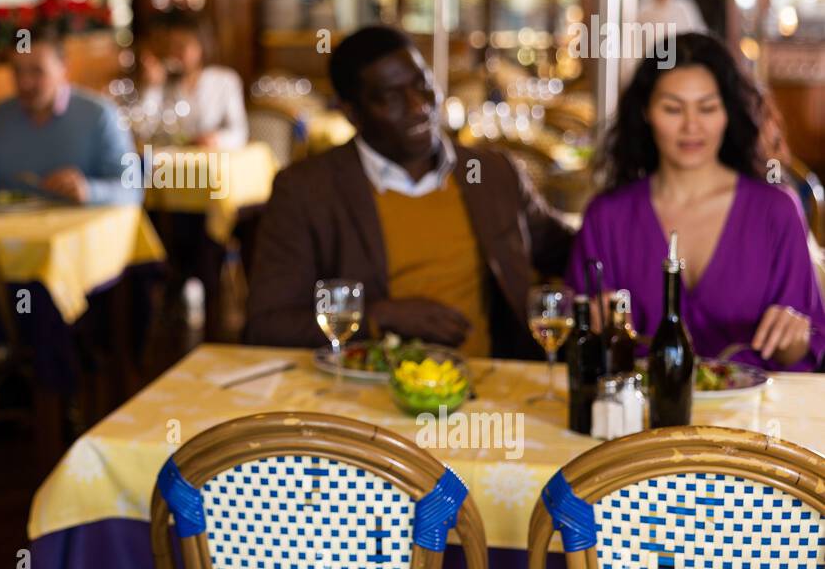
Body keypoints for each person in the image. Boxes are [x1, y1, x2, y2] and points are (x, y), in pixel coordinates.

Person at [244, 25, 574, 358]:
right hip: (365, 394)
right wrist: (379, 316)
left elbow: (569, 250)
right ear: (352, 113)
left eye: (423, 85)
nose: (418, 106)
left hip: (490, 388)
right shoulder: (307, 191)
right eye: (391, 97)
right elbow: (267, 325)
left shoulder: (491, 174)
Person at [568, 33, 825, 371]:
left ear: (728, 114)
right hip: (637, 418)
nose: (691, 126)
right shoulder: (607, 217)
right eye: (673, 108)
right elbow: (574, 339)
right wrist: (590, 324)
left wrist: (792, 339)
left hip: (754, 416)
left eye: (707, 108)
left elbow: (804, 356)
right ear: (646, 112)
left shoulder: (776, 211)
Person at [0, 24, 141, 206]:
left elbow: (133, 191)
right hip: (6, 231)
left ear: (64, 67)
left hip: (80, 231)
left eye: (37, 71)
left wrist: (89, 190)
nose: (25, 83)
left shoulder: (100, 115)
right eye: (18, 71)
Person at [137, 10, 248, 150]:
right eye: (171, 45)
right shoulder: (164, 83)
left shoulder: (225, 80)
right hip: (171, 164)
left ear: (201, 46)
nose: (174, 52)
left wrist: (216, 139)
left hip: (210, 162)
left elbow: (239, 133)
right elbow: (144, 131)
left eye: (181, 46)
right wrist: (152, 87)